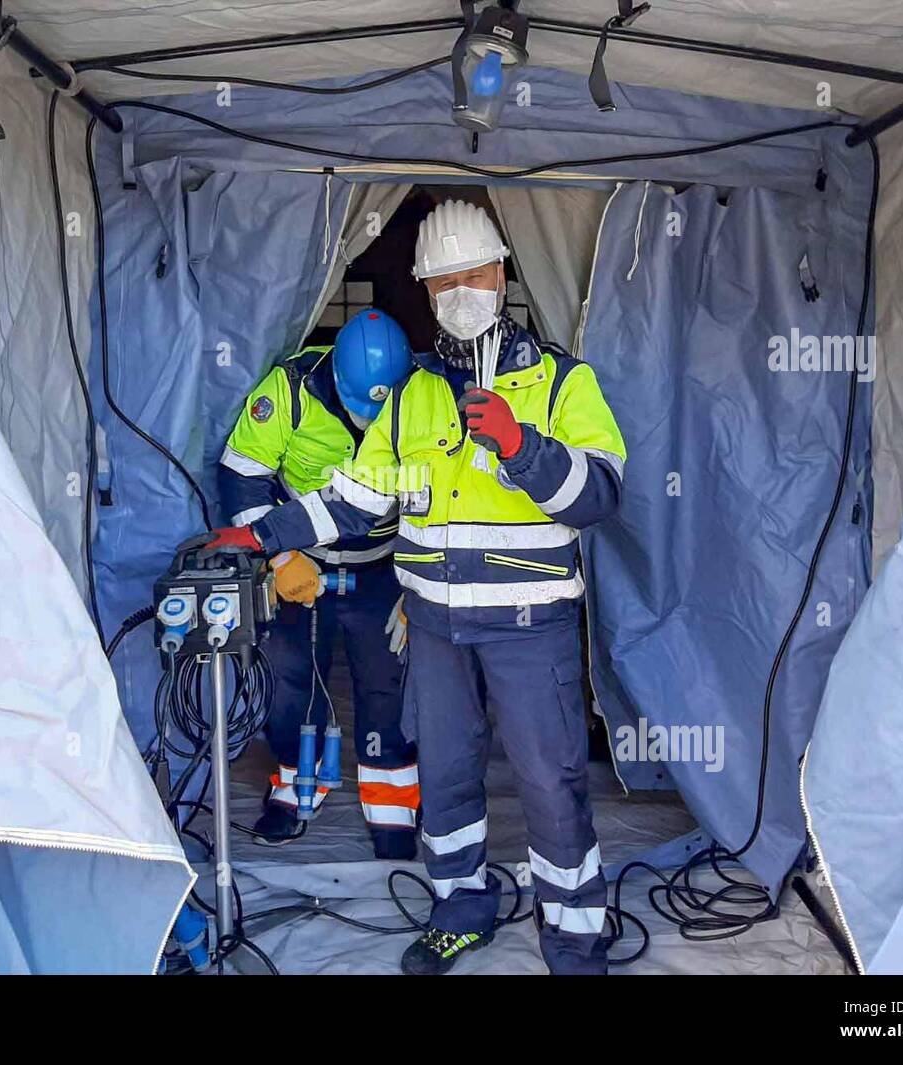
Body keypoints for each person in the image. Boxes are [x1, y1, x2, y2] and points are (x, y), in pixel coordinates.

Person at [190, 199, 626, 975]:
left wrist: (525, 448)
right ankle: (460, 906)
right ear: (425, 292)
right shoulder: (414, 398)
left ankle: (575, 938)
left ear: (502, 273)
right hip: (433, 627)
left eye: (474, 273)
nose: (461, 290)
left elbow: (599, 496)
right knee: (447, 774)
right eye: (443, 280)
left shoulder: (564, 383)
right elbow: (355, 497)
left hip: (530, 625)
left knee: (550, 780)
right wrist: (260, 535)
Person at [216, 310, 420, 861]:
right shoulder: (290, 390)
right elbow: (241, 476)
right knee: (290, 680)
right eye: (360, 408)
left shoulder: (422, 395)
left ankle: (393, 807)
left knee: (386, 686)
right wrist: (281, 558)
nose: (366, 422)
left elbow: (445, 497)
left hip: (382, 568)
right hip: (302, 564)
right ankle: (293, 787)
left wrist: (417, 581)